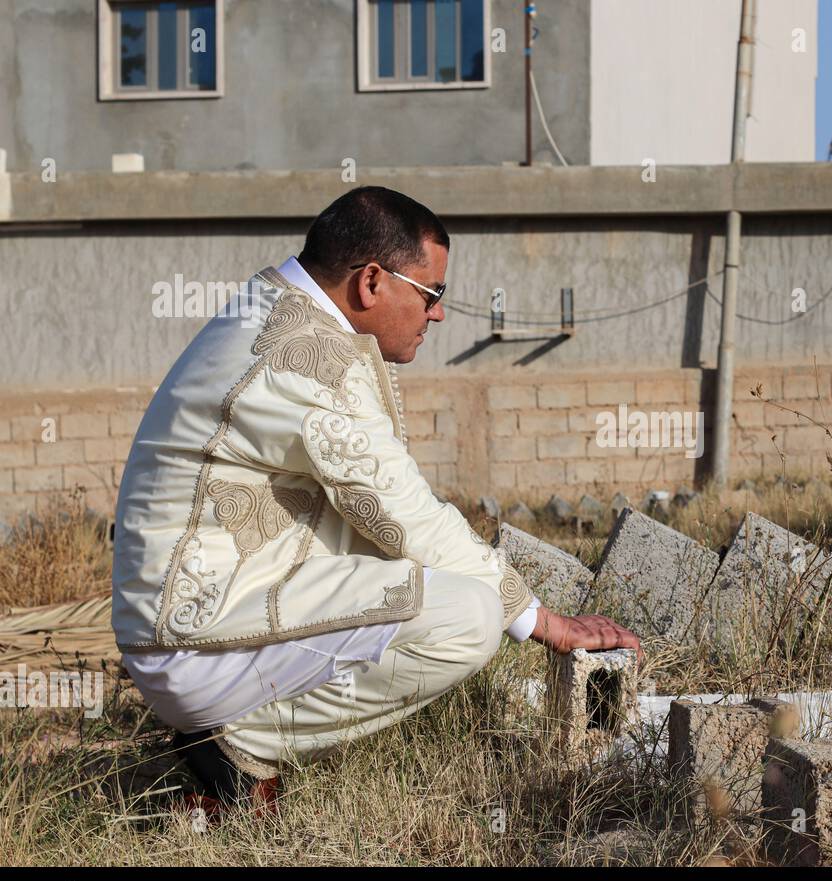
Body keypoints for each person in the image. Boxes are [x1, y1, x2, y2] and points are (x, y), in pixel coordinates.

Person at [112, 186, 641, 815]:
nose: (439, 314)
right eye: (433, 294)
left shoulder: (287, 313)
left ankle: (230, 730)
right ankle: (235, 746)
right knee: (469, 618)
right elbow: (403, 515)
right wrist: (545, 623)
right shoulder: (302, 358)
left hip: (208, 612)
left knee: (428, 578)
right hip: (197, 640)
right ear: (371, 282)